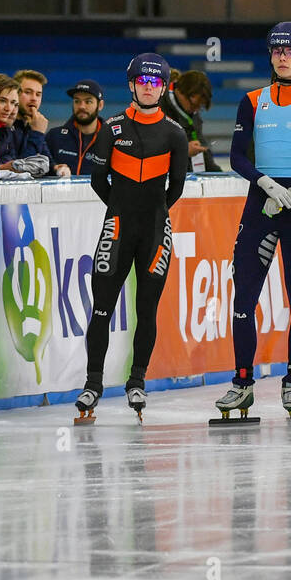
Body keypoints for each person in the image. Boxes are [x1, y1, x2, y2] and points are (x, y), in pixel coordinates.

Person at [218, 22, 291, 423]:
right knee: (243, 296)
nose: (282, 57)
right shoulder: (252, 101)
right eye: (276, 51)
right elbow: (237, 156)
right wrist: (266, 184)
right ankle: (242, 380)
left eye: (290, 52)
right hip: (261, 201)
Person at [73, 54, 189, 425]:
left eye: (155, 83)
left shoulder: (175, 133)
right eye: (142, 82)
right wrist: (120, 210)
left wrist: (153, 214)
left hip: (155, 230)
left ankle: (136, 380)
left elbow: (177, 188)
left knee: (147, 309)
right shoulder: (111, 127)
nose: (148, 87)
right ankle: (93, 382)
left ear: (164, 87)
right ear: (131, 85)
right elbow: (96, 180)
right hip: (118, 227)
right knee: (102, 308)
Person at [162, 69, 220, 173]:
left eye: (200, 106)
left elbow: (202, 150)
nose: (196, 109)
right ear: (180, 92)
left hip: (189, 176)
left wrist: (219, 176)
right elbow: (148, 150)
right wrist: (182, 151)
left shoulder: (192, 112)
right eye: (194, 104)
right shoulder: (156, 106)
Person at [46, 79, 104, 176]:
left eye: (88, 101)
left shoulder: (112, 140)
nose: (81, 106)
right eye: (77, 101)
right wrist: (55, 169)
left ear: (100, 105)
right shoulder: (54, 137)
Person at [13, 70, 62, 173]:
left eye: (38, 94)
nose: (34, 99)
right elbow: (23, 169)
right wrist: (37, 134)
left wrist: (56, 169)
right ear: (15, 94)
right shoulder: (7, 127)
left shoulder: (32, 124)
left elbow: (46, 160)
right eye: (28, 92)